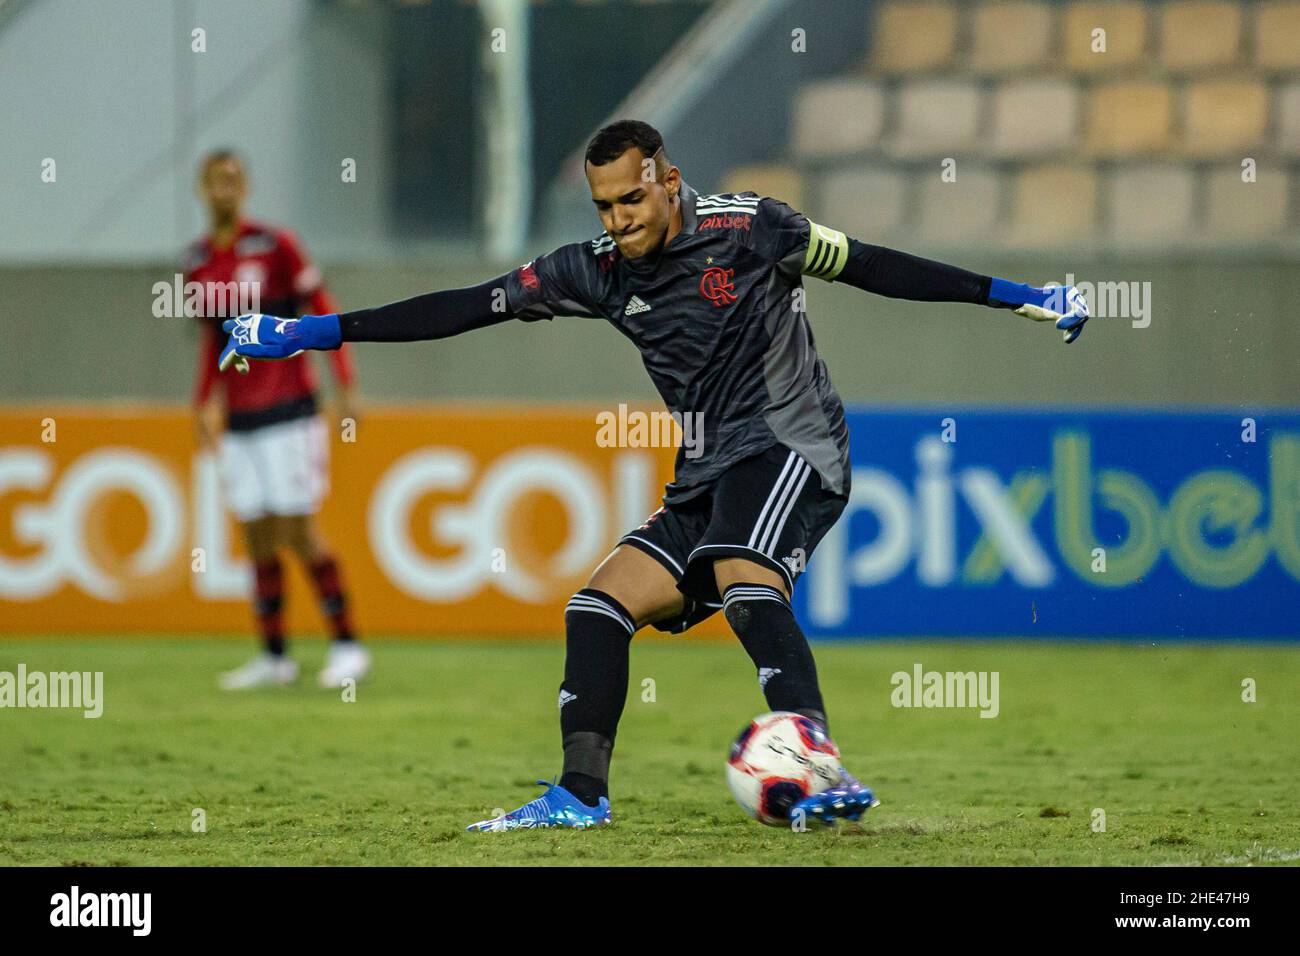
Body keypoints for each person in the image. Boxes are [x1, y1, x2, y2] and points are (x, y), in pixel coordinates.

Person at [217, 120, 1087, 824]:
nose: (619, 220)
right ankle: (579, 797)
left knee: (745, 579)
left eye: (632, 197)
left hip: (793, 445)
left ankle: (812, 755)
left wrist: (1017, 295)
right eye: (604, 205)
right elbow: (462, 308)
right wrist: (303, 334)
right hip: (706, 468)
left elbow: (876, 266)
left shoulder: (757, 230)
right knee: (598, 606)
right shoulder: (593, 272)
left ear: (669, 181)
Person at [188, 149, 370, 691]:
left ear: (245, 189)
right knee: (256, 535)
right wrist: (203, 401)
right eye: (215, 180)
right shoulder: (198, 261)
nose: (225, 189)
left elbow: (323, 311)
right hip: (240, 417)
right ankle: (274, 656)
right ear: (202, 188)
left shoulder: (275, 246)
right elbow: (212, 342)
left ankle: (347, 645)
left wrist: (346, 383)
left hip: (290, 410)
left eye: (234, 180)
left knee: (299, 530)